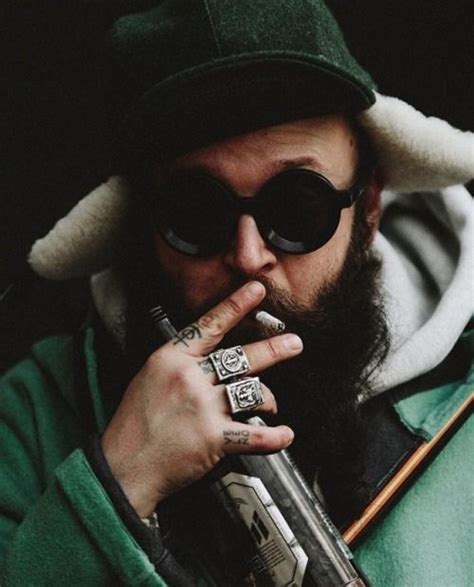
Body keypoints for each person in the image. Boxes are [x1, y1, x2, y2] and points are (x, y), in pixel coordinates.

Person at [1, 1, 473, 585]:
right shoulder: (31, 418)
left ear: (369, 204)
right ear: (142, 224)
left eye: (298, 207)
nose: (249, 257)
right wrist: (115, 486)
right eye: (196, 212)